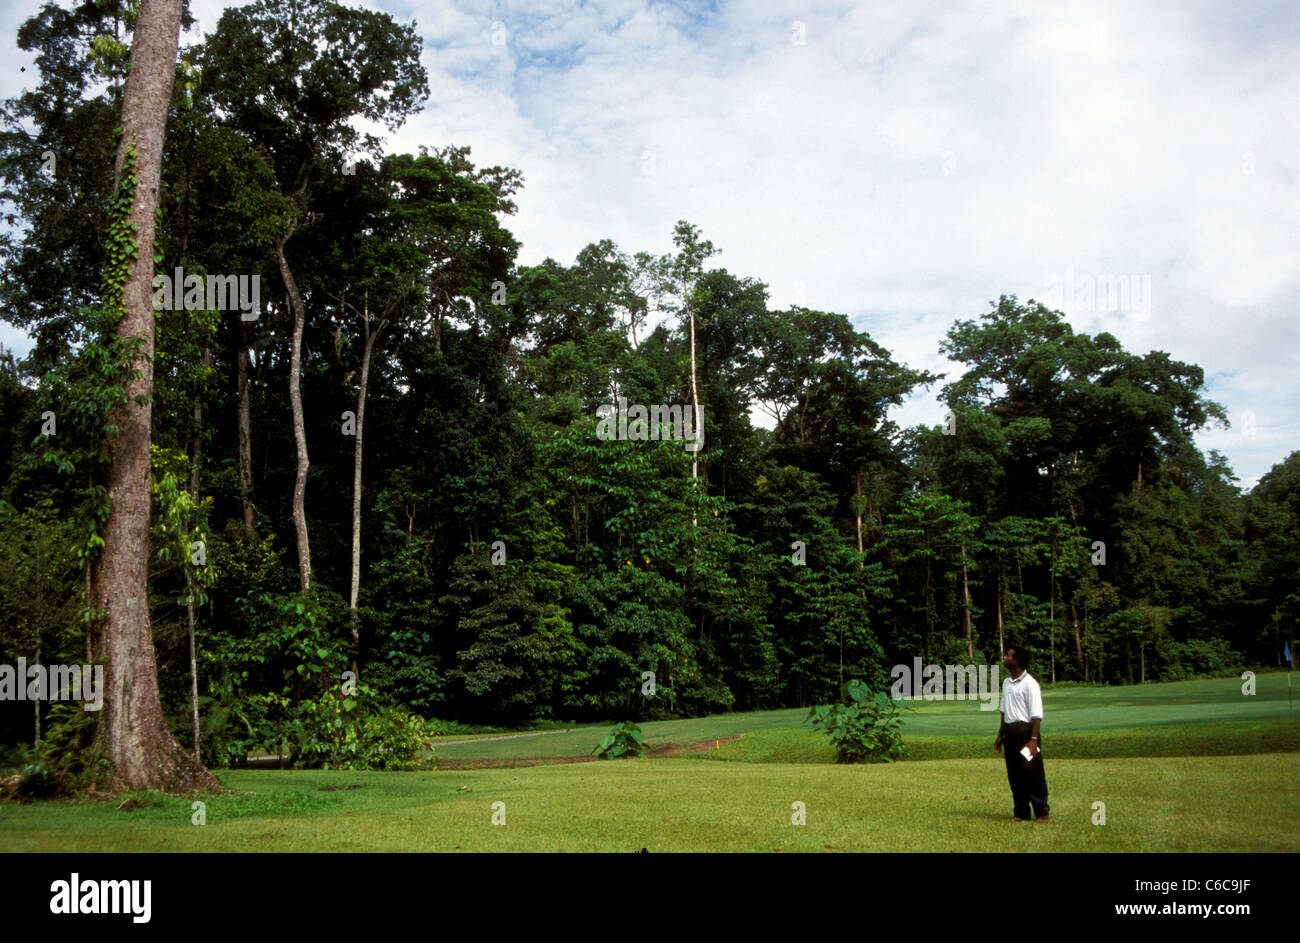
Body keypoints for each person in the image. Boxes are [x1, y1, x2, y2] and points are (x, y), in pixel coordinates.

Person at [993, 644, 1049, 823]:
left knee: (1032, 772)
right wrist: (1000, 735)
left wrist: (1033, 740)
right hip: (1010, 734)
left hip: (1026, 734)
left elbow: (1036, 714)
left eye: (1008, 655)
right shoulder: (1006, 683)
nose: (1004, 658)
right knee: (1015, 774)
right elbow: (1004, 711)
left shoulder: (1030, 684)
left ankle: (1041, 811)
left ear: (1016, 660)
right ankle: (1021, 812)